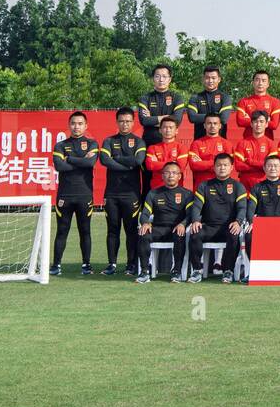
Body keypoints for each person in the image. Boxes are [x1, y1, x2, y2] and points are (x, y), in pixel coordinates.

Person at [50, 111, 99, 276]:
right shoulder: (60, 145)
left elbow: (90, 162)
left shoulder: (92, 144)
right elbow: (59, 166)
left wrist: (69, 158)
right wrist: (81, 161)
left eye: (80, 124)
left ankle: (86, 264)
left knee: (85, 230)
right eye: (73, 123)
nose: (76, 127)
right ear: (69, 125)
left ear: (86, 126)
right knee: (62, 230)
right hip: (65, 196)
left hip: (85, 195)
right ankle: (56, 265)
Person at [99, 107, 146, 275]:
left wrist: (117, 158)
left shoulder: (139, 142)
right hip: (111, 194)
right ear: (117, 122)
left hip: (131, 194)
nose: (125, 124)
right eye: (121, 121)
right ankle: (112, 264)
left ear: (133, 123)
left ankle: (131, 264)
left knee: (131, 230)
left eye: (128, 121)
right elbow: (105, 160)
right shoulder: (109, 141)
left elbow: (138, 160)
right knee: (112, 229)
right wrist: (127, 163)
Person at [187, 153, 248, 283]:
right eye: (219, 165)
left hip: (228, 227)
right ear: (214, 167)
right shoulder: (204, 186)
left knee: (234, 234)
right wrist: (196, 220)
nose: (222, 168)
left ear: (231, 167)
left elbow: (242, 208)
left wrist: (238, 222)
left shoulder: (238, 186)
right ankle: (197, 270)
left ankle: (228, 271)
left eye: (225, 165)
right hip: (209, 226)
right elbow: (197, 206)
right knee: (195, 232)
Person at [242, 155, 280, 277]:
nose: (272, 168)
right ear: (264, 168)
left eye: (276, 165)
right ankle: (253, 271)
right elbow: (250, 208)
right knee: (249, 235)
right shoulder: (257, 187)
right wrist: (252, 223)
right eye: (269, 165)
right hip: (262, 226)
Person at [136, 161, 192, 283]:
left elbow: (190, 215)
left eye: (174, 173)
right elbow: (145, 213)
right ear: (162, 175)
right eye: (167, 173)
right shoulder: (153, 193)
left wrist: (183, 224)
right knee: (143, 233)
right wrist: (145, 222)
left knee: (180, 234)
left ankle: (176, 271)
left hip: (176, 229)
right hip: (158, 228)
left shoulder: (187, 194)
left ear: (179, 176)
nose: (170, 175)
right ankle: (144, 271)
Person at [137, 64, 184, 192]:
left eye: (164, 76)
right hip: (149, 143)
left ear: (170, 79)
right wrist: (166, 118)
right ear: (153, 78)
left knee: (172, 176)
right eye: (157, 76)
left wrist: (154, 118)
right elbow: (144, 120)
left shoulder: (177, 97)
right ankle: (147, 210)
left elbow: (177, 120)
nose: (161, 79)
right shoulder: (145, 98)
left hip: (170, 146)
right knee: (147, 180)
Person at [184, 65, 233, 140]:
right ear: (203, 79)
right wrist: (216, 115)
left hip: (220, 143)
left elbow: (223, 118)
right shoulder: (195, 97)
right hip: (199, 143)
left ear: (219, 79)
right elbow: (192, 117)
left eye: (213, 78)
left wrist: (200, 117)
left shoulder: (225, 97)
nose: (210, 81)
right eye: (207, 78)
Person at [232, 110, 276, 191]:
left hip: (265, 186)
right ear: (251, 124)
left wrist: (249, 162)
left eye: (261, 121)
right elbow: (238, 166)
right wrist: (262, 166)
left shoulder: (271, 144)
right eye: (255, 121)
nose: (258, 124)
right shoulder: (242, 143)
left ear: (266, 124)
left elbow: (271, 166)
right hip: (246, 188)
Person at [187, 112, 234, 187]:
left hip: (221, 185)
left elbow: (227, 166)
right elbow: (194, 165)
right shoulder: (196, 143)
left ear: (220, 126)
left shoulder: (227, 144)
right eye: (209, 123)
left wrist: (203, 163)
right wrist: (217, 163)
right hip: (201, 186)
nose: (212, 126)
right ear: (204, 125)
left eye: (215, 123)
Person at [143, 116, 186, 191]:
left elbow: (180, 167)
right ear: (160, 130)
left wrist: (158, 163)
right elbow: (149, 165)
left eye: (171, 127)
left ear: (176, 130)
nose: (168, 130)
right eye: (165, 127)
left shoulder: (182, 147)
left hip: (176, 190)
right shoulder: (152, 148)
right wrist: (173, 162)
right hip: (156, 189)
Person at [235, 69, 280, 139]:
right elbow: (240, 122)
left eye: (263, 80)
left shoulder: (275, 102)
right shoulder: (243, 101)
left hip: (267, 142)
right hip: (248, 142)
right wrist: (266, 120)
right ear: (253, 83)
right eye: (257, 80)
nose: (260, 83)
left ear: (268, 84)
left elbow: (274, 125)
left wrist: (250, 119)